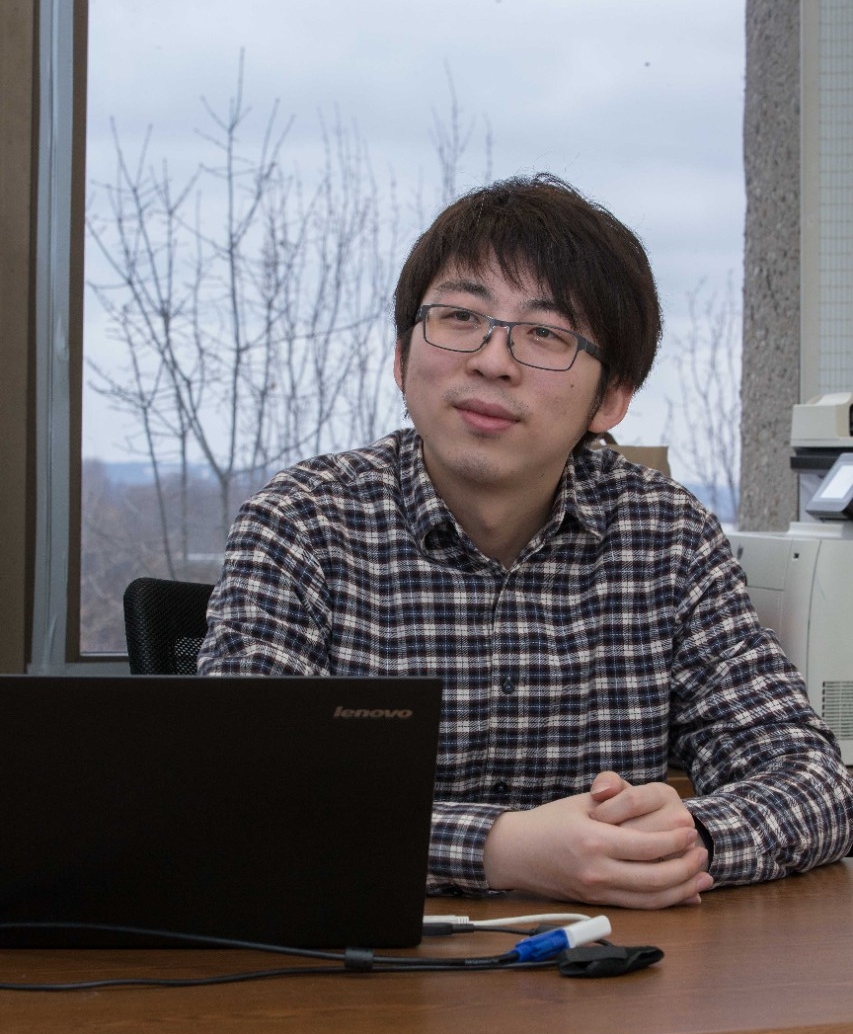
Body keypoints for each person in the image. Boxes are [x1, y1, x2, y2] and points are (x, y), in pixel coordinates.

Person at [198, 173, 853, 909]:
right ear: (401, 356)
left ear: (611, 399)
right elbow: (237, 792)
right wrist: (502, 849)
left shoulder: (667, 537)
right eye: (458, 317)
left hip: (607, 965)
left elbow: (815, 782)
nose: (491, 360)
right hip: (355, 963)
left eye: (544, 334)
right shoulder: (301, 524)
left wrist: (682, 841)